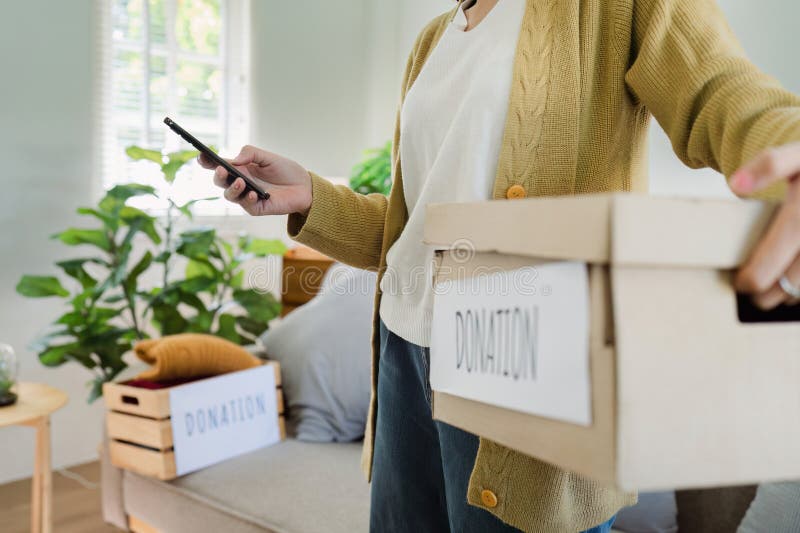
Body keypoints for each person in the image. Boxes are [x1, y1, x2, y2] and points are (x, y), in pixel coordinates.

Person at [200, 0, 800, 531]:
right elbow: (417, 227)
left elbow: (725, 91)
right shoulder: (433, 41)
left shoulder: (607, 8)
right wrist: (312, 195)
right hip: (402, 350)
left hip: (522, 355)